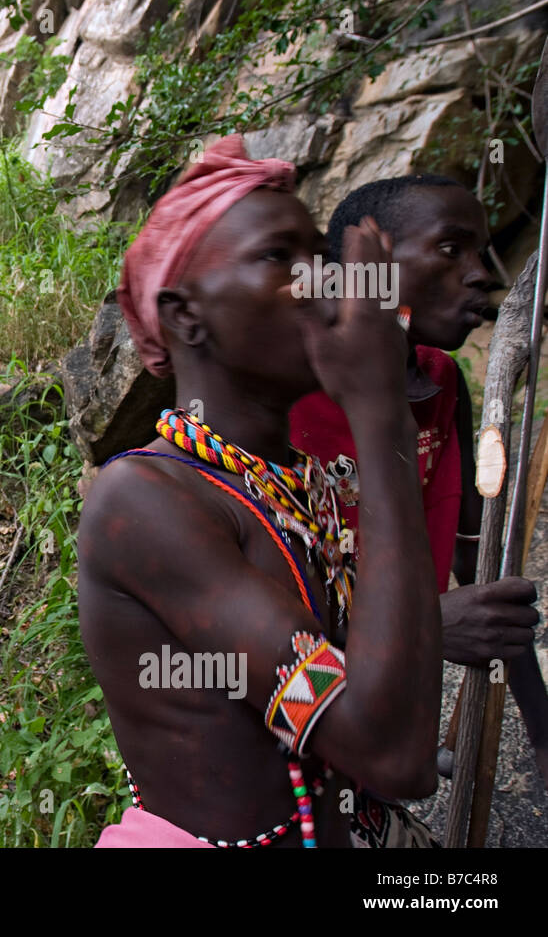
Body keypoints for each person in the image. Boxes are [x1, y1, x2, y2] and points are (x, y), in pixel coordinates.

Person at [78, 137, 442, 848]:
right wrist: (380, 413)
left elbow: (363, 666)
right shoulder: (143, 501)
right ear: (186, 317)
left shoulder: (290, 481)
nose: (324, 280)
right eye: (280, 257)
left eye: (320, 252)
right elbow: (392, 752)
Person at [289, 176, 548, 790]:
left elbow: (478, 566)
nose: (484, 273)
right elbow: (266, 648)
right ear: (366, 264)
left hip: (394, 710)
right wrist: (426, 628)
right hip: (303, 735)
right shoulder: (289, 404)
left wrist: (541, 732)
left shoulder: (442, 383)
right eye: (452, 248)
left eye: (483, 252)